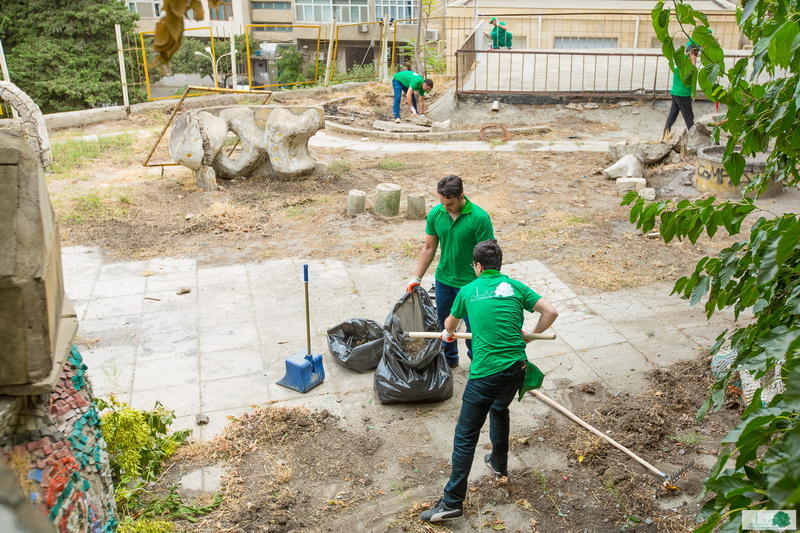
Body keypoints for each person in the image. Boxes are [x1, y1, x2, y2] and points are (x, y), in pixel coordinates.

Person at [419, 240, 559, 523]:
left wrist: (448, 334)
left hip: (486, 375)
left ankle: (452, 502)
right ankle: (498, 463)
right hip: (517, 369)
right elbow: (551, 312)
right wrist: (529, 335)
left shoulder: (469, 290)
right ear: (499, 265)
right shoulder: (516, 287)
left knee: (465, 435)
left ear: (478, 267)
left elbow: (449, 326)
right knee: (499, 408)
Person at [406, 176, 494, 368]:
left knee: (475, 328)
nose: (446, 207)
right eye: (442, 203)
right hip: (444, 280)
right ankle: (449, 360)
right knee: (445, 324)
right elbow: (429, 247)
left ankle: (477, 364)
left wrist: (488, 284)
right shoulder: (437, 214)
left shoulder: (479, 218)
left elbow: (489, 255)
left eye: (450, 203)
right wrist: (416, 278)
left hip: (472, 284)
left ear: (461, 196)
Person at [663, 42, 699, 141]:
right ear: (691, 53)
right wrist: (693, 64)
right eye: (695, 54)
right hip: (683, 94)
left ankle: (665, 136)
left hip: (675, 92)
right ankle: (694, 139)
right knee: (689, 117)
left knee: (672, 115)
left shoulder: (679, 59)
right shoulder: (686, 63)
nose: (696, 56)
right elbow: (687, 77)